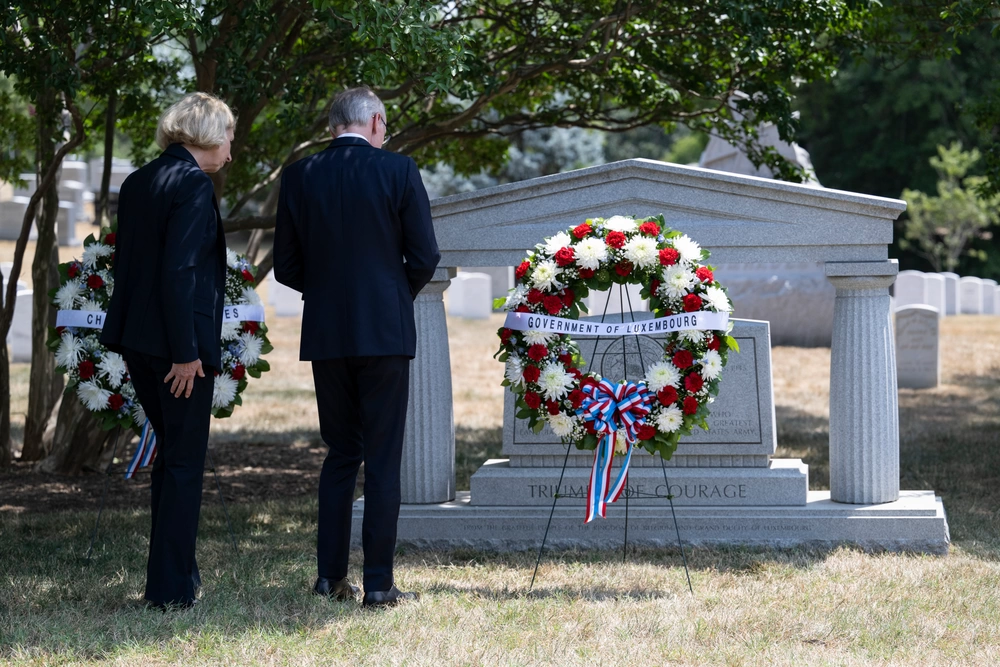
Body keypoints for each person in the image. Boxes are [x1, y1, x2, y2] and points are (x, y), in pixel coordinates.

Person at [273, 86, 440, 607]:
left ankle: (328, 578)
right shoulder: (398, 171)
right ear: (373, 121)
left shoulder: (300, 175)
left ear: (332, 127)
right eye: (384, 124)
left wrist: (327, 296)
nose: (385, 132)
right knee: (383, 458)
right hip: (385, 332)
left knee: (342, 452)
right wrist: (393, 297)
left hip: (327, 332)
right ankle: (379, 584)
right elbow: (425, 255)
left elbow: (286, 266)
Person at [101, 92, 234, 609]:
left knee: (171, 461)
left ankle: (179, 572)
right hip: (178, 351)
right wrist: (186, 352)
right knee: (182, 463)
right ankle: (170, 592)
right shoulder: (194, 186)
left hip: (136, 342)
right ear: (204, 134)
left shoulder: (139, 180)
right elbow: (179, 273)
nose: (231, 147)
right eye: (227, 134)